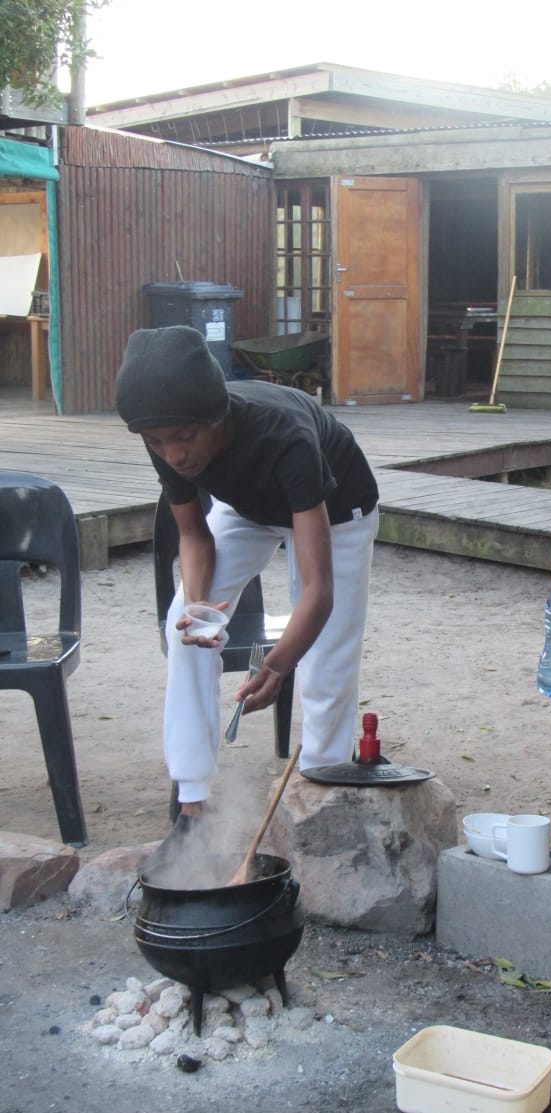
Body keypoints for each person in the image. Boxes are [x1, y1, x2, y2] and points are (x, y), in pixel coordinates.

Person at [115, 325, 379, 847]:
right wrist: (198, 606)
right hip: (247, 507)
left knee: (326, 659)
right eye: (158, 443)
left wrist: (277, 666)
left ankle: (320, 798)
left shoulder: (286, 437)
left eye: (186, 439)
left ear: (217, 418)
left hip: (337, 511)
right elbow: (193, 535)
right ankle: (192, 805)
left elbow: (317, 591)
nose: (175, 455)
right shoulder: (164, 432)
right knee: (182, 627)